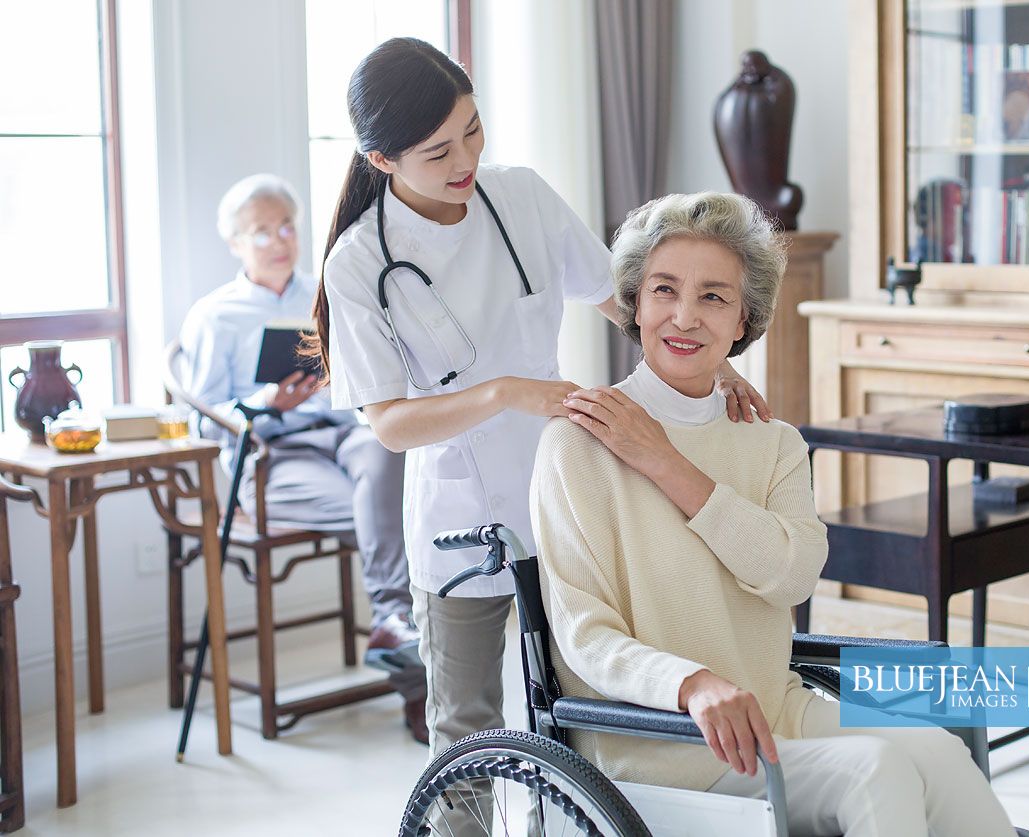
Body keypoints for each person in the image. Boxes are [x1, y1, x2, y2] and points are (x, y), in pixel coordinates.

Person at [307, 37, 771, 829]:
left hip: (568, 497)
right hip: (459, 523)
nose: (465, 159)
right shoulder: (358, 264)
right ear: (382, 160)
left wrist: (708, 352)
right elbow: (388, 424)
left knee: (580, 710)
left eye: (472, 130)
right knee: (467, 730)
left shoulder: (518, 195)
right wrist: (503, 392)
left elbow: (618, 298)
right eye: (437, 150)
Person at [531, 191, 1020, 837]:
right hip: (658, 737)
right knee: (873, 766)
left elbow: (792, 578)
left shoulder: (771, 440)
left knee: (933, 745)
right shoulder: (577, 442)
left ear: (742, 320)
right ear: (633, 303)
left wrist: (664, 462)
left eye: (712, 296)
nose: (683, 315)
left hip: (773, 704)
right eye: (663, 290)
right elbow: (584, 635)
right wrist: (693, 683)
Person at [179, 173, 428, 743]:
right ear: (237, 244)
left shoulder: (325, 291)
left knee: (386, 448)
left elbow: (367, 367)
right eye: (262, 232)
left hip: (340, 432)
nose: (279, 239)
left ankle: (395, 624)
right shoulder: (215, 315)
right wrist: (264, 401)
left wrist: (336, 381)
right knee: (387, 514)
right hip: (272, 453)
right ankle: (411, 658)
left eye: (286, 225)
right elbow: (200, 417)